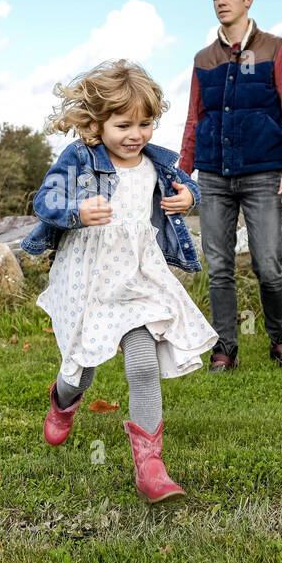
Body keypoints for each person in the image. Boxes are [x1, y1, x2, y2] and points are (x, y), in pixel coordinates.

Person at [20, 60, 218, 503]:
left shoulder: (156, 161)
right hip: (88, 277)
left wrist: (189, 195)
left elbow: (186, 186)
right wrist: (77, 211)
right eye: (123, 123)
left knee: (144, 364)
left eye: (145, 123)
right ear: (97, 123)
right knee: (82, 370)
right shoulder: (81, 157)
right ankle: (63, 398)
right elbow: (45, 199)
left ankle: (151, 467)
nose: (136, 134)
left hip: (138, 275)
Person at [179, 0, 282, 372]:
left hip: (264, 174)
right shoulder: (204, 59)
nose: (222, 1)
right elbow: (193, 121)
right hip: (214, 177)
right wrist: (182, 176)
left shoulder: (275, 49)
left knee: (267, 265)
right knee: (218, 268)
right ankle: (224, 349)